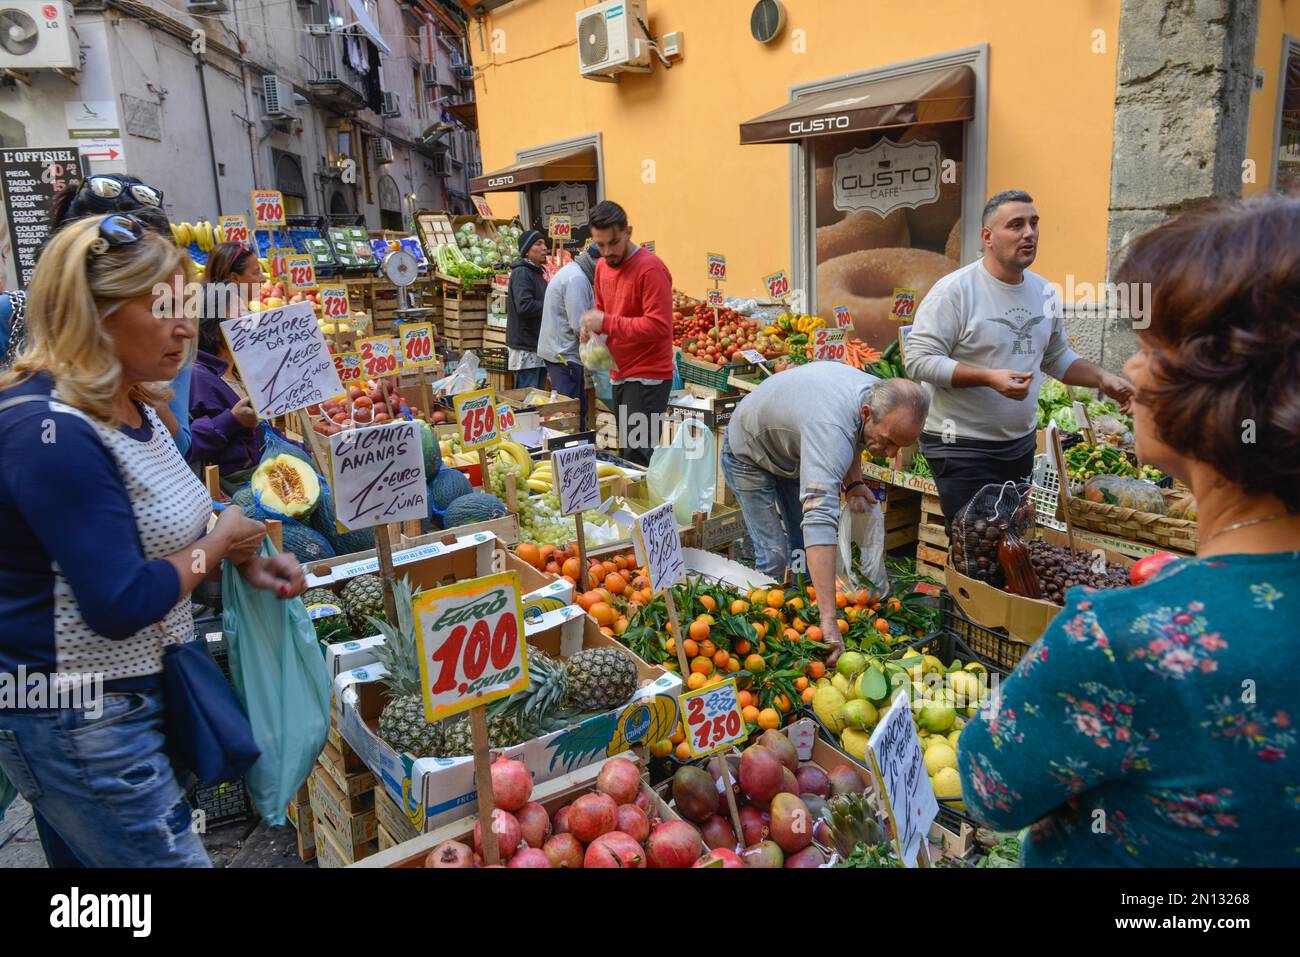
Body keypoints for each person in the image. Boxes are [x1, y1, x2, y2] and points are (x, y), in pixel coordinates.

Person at [957, 195, 1300, 866]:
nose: (1133, 371)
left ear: (1218, 393)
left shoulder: (1125, 640)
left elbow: (988, 788)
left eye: (1151, 350)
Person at [0, 215, 305, 867]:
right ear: (93, 313)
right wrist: (216, 547)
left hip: (131, 693)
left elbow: (172, 514)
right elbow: (118, 600)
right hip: (79, 715)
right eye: (159, 305)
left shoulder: (131, 401)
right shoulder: (51, 429)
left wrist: (239, 551)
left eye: (187, 305)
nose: (183, 324)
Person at [904, 190, 1134, 532]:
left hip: (1018, 444)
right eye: (1016, 225)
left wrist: (1103, 378)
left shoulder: (1044, 292)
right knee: (977, 544)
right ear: (988, 237)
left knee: (1012, 540)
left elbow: (1057, 357)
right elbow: (919, 360)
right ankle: (964, 587)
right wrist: (988, 378)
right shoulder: (954, 292)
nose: (1029, 233)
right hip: (961, 445)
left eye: (1034, 223)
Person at [723, 366, 930, 665]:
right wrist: (830, 619)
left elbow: (854, 439)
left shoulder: (881, 397)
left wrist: (855, 484)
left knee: (802, 549)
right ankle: (757, 637)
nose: (889, 453)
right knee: (774, 554)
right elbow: (819, 520)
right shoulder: (832, 427)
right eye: (887, 441)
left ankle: (799, 614)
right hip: (749, 450)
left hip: (793, 449)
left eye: (899, 445)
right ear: (866, 412)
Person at [580, 200, 674, 467]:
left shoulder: (650, 268)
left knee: (638, 454)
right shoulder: (601, 267)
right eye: (600, 245)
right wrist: (590, 330)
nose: (607, 251)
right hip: (618, 372)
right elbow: (602, 310)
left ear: (628, 232)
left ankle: (645, 507)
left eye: (613, 242)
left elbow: (659, 327)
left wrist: (606, 322)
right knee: (630, 451)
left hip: (648, 376)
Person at [188, 242, 277, 494]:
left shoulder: (239, 369)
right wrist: (231, 421)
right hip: (235, 490)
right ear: (215, 328)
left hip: (264, 474)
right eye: (237, 318)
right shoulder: (198, 377)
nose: (247, 323)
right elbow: (187, 443)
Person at [538, 242, 601, 428]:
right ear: (597, 261)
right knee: (570, 411)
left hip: (560, 350)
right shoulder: (577, 280)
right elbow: (579, 325)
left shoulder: (575, 273)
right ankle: (572, 447)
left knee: (570, 406)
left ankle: (574, 445)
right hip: (564, 354)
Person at [507, 229, 549, 391]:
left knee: (538, 397)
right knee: (528, 398)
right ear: (527, 250)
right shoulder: (522, 272)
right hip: (526, 344)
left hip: (536, 343)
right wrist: (549, 305)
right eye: (538, 244)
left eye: (544, 243)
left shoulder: (537, 273)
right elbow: (524, 307)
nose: (544, 248)